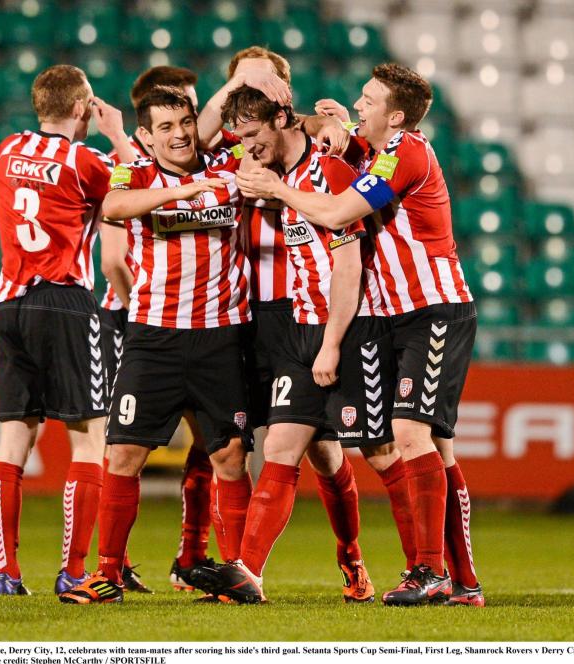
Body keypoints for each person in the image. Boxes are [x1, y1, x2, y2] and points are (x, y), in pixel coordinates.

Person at [236, 63, 483, 607]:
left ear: (395, 116)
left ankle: (429, 571)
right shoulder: (369, 154)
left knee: (410, 435)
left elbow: (339, 211)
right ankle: (461, 582)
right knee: (436, 448)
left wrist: (277, 188)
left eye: (369, 100)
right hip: (391, 316)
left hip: (432, 308)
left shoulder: (405, 152)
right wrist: (317, 120)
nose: (358, 104)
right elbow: (318, 135)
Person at [187, 85, 385, 605]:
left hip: (345, 329)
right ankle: (247, 575)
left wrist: (333, 344)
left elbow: (348, 263)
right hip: (297, 329)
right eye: (240, 139)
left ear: (281, 119)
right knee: (288, 449)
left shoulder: (330, 172)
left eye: (253, 136)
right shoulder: (280, 177)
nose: (246, 148)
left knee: (379, 455)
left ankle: (400, 565)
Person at [59, 87, 253, 604]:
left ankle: (238, 577)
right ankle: (108, 574)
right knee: (122, 454)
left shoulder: (230, 166)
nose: (180, 133)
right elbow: (114, 205)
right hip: (153, 338)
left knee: (230, 457)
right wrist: (181, 192)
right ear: (145, 136)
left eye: (184, 122)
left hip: (220, 336)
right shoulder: (136, 174)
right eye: (165, 127)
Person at [0, 64, 120, 596]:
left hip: (9, 302)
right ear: (82, 107)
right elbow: (132, 189)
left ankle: (6, 573)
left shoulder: (3, 149)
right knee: (90, 437)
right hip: (65, 299)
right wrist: (116, 135)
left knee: (14, 437)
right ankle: (72, 571)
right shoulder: (85, 161)